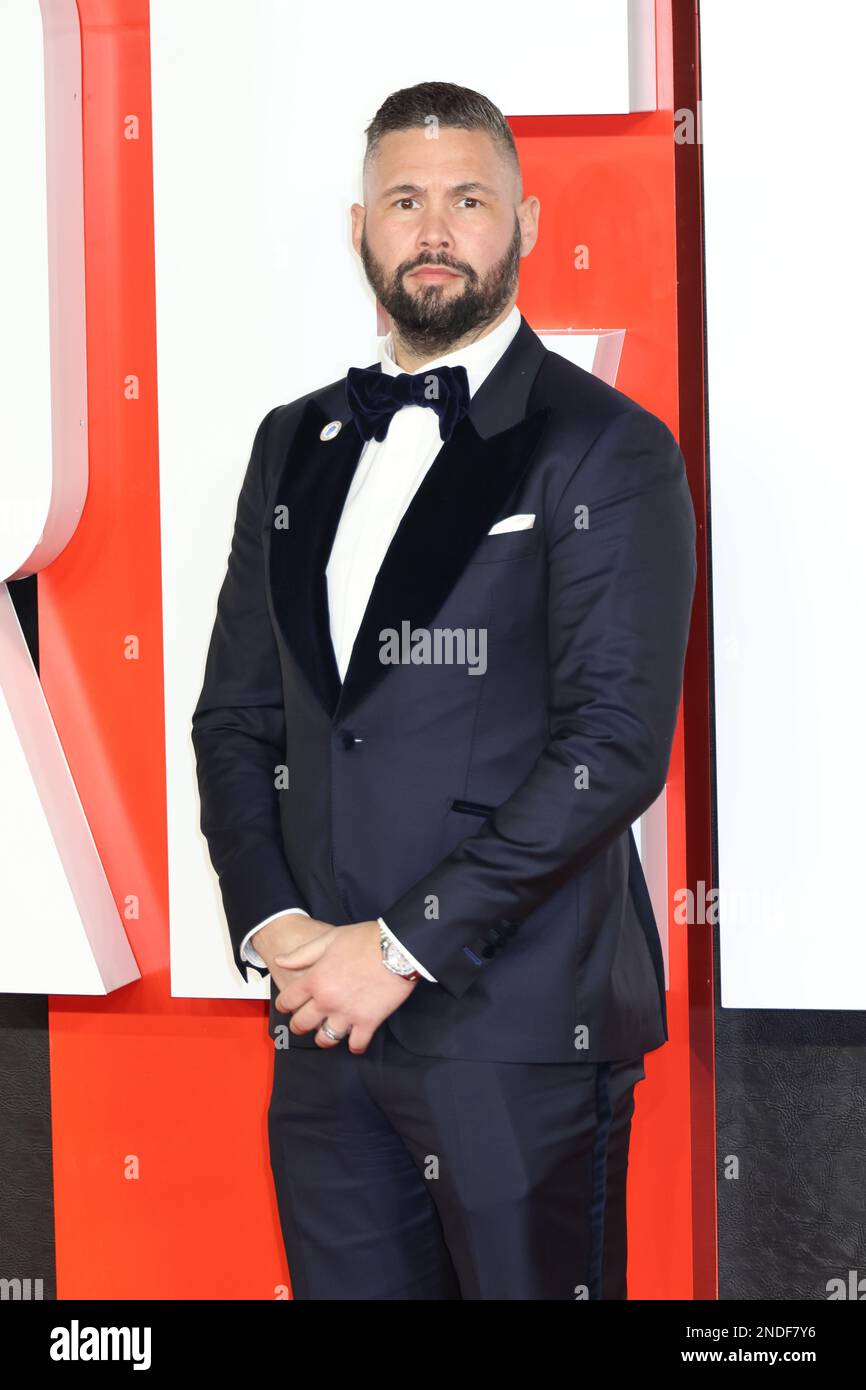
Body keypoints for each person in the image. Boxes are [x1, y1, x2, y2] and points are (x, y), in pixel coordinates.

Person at [191, 79, 697, 1300]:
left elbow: (614, 744)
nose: (432, 229)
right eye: (403, 199)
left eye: (467, 199)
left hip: (516, 1030)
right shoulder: (289, 442)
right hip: (320, 1025)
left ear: (522, 221)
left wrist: (401, 948)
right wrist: (283, 934)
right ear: (356, 225)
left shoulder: (603, 445)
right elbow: (237, 716)